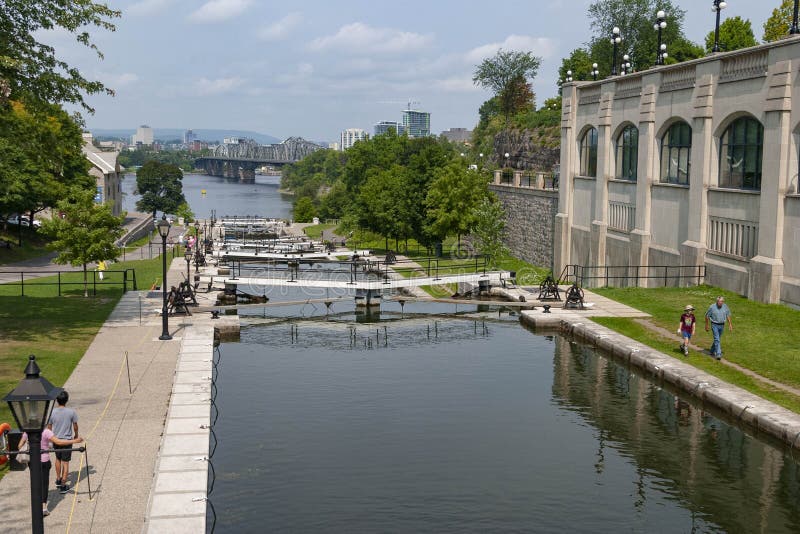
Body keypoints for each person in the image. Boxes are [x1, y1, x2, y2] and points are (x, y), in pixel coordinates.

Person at [19, 429, 83, 517]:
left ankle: (36, 506)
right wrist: (75, 441)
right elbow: (58, 442)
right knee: (44, 483)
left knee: (36, 482)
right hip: (44, 461)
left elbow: (19, 446)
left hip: (33, 461)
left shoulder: (28, 432)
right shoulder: (46, 432)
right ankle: (43, 507)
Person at [48, 390, 79, 493]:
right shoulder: (71, 412)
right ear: (67, 400)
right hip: (67, 441)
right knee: (65, 463)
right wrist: (76, 435)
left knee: (58, 459)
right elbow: (75, 426)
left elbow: (49, 427)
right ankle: (63, 485)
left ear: (57, 400)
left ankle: (58, 478)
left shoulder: (52, 412)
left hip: (56, 440)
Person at [705, 296, 733, 360]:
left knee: (717, 339)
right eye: (720, 301)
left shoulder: (725, 306)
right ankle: (718, 354)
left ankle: (712, 350)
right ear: (717, 301)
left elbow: (728, 315)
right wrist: (706, 325)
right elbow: (707, 316)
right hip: (714, 324)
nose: (721, 303)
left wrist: (730, 324)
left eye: (722, 301)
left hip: (722, 325)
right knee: (717, 339)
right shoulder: (712, 307)